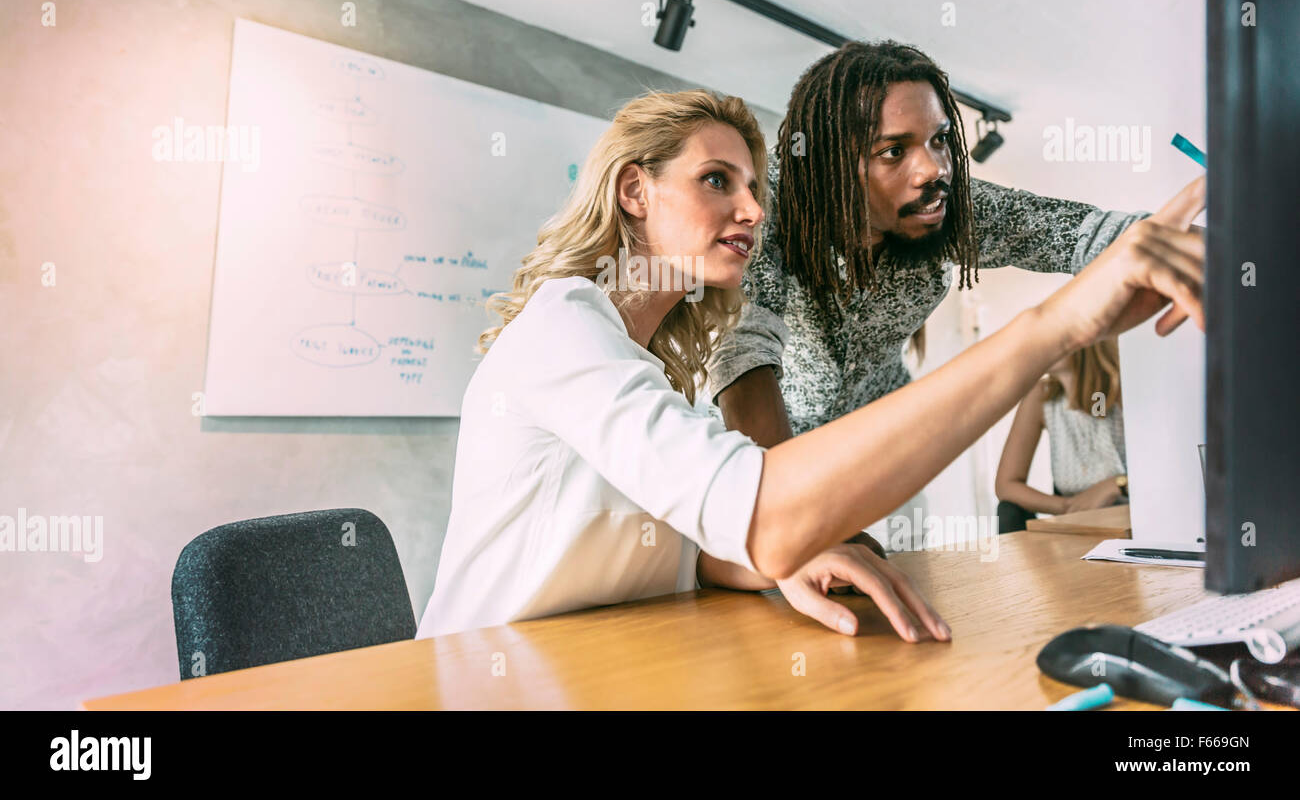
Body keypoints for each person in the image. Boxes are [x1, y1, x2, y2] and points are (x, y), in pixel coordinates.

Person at [415, 88, 1204, 643]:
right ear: (634, 191)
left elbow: (697, 543)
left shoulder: (664, 372)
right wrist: (1057, 322)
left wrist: (776, 563)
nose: (753, 210)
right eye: (716, 180)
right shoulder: (564, 323)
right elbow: (755, 512)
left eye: (753, 187)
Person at [706, 41, 1147, 542]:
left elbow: (1090, 233)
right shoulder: (768, 208)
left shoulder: (946, 204)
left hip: (882, 449)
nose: (934, 169)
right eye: (894, 150)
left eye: (939, 140)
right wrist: (795, 527)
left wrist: (1210, 240)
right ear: (830, 165)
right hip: (763, 463)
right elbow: (742, 356)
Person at [993, 338, 1128, 533]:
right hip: (1073, 522)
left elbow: (1161, 471)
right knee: (1008, 510)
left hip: (1126, 518)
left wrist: (1115, 485)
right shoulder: (1041, 396)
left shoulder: (1119, 389)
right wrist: (1067, 506)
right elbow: (1006, 485)